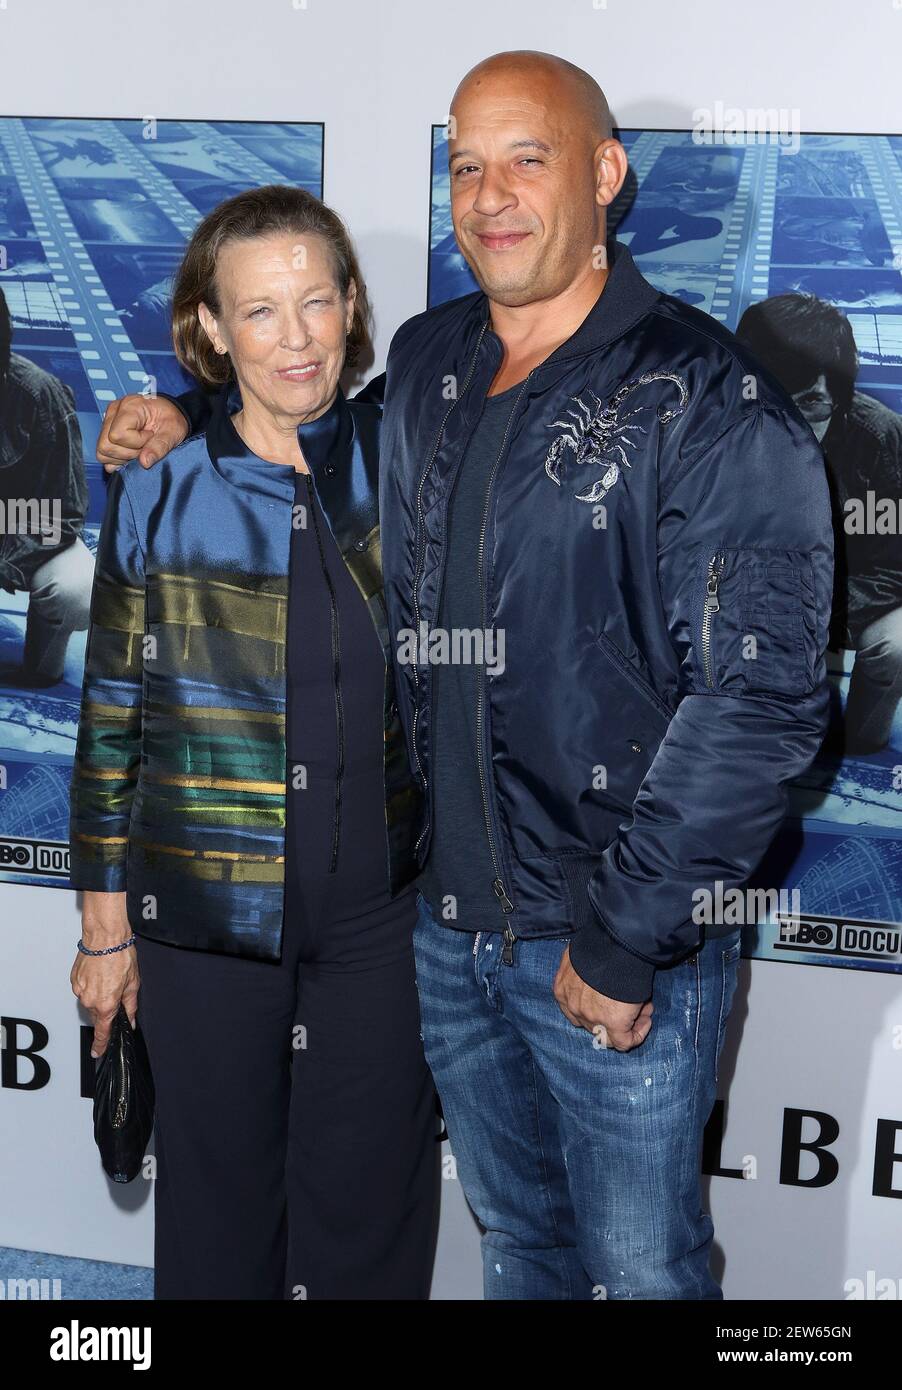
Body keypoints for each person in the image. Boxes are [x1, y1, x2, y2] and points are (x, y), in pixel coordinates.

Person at [98, 52, 834, 1302]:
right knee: (522, 1248)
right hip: (445, 941)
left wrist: (622, 937)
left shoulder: (709, 402)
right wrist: (184, 421)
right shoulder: (434, 362)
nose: (489, 194)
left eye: (526, 159)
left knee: (642, 1269)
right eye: (465, 165)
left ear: (605, 175)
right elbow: (303, 433)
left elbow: (760, 702)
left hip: (611, 942)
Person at [70, 184, 437, 1301]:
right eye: (260, 312)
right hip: (202, 912)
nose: (296, 338)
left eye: (315, 303)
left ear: (349, 307)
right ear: (212, 329)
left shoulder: (401, 455)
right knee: (217, 1200)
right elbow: (110, 716)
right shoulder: (160, 489)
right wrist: (102, 927)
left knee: (371, 1202)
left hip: (378, 911)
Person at [737, 292, 902, 755]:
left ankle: (859, 737)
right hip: (766, 592)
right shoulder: (722, 426)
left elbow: (897, 566)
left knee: (896, 644)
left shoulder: (881, 441)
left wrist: (815, 608)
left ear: (839, 393)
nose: (792, 423)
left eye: (810, 402)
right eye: (776, 399)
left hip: (862, 593)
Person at [0, 285, 93, 685]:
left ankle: (42, 662)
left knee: (77, 589)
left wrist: (8, 561)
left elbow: (64, 514)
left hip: (26, 526)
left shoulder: (40, 395)